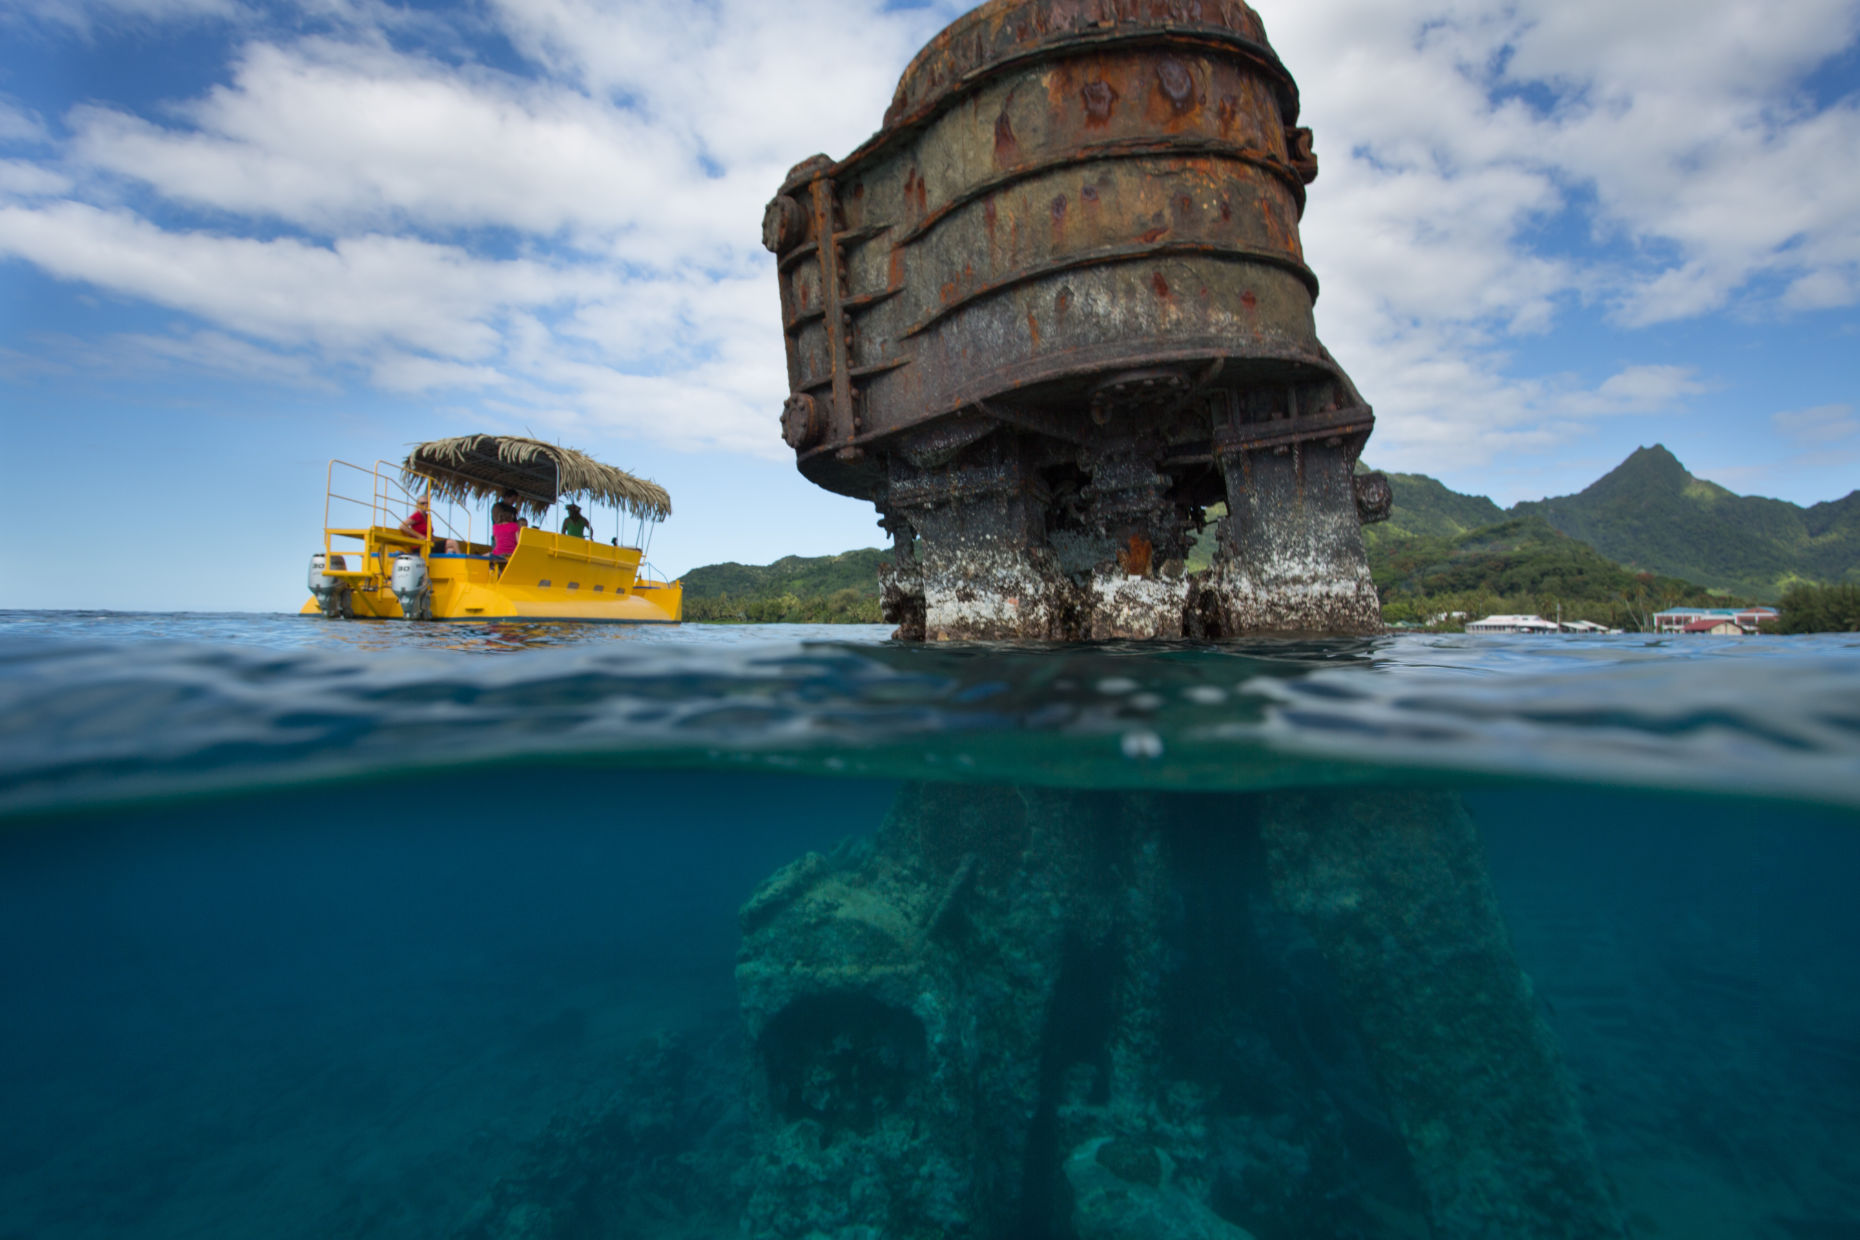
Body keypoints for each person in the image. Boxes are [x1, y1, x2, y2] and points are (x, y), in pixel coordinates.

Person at [491, 487, 523, 560]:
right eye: (513, 500)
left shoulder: (513, 510)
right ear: (507, 497)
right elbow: (498, 520)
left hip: (511, 539)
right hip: (500, 538)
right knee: (497, 559)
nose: (513, 502)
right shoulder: (497, 507)